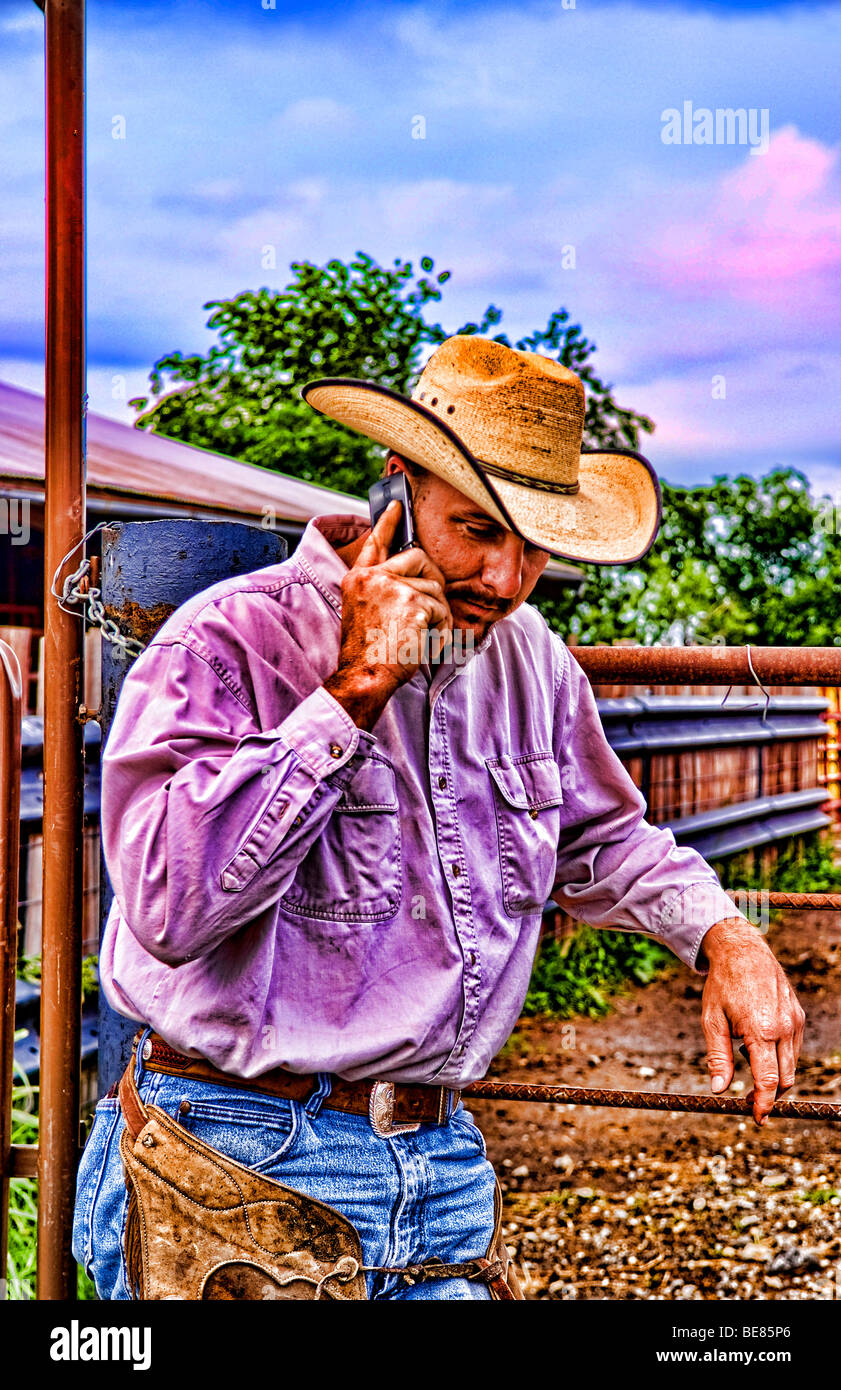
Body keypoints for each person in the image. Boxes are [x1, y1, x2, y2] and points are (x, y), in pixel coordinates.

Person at [72, 335, 804, 1301]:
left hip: (440, 1162)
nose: (504, 580)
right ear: (399, 480)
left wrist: (724, 933)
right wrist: (354, 691)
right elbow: (169, 907)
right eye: (477, 530)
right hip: (235, 1159)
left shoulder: (530, 660)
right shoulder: (230, 641)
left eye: (534, 543)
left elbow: (603, 839)